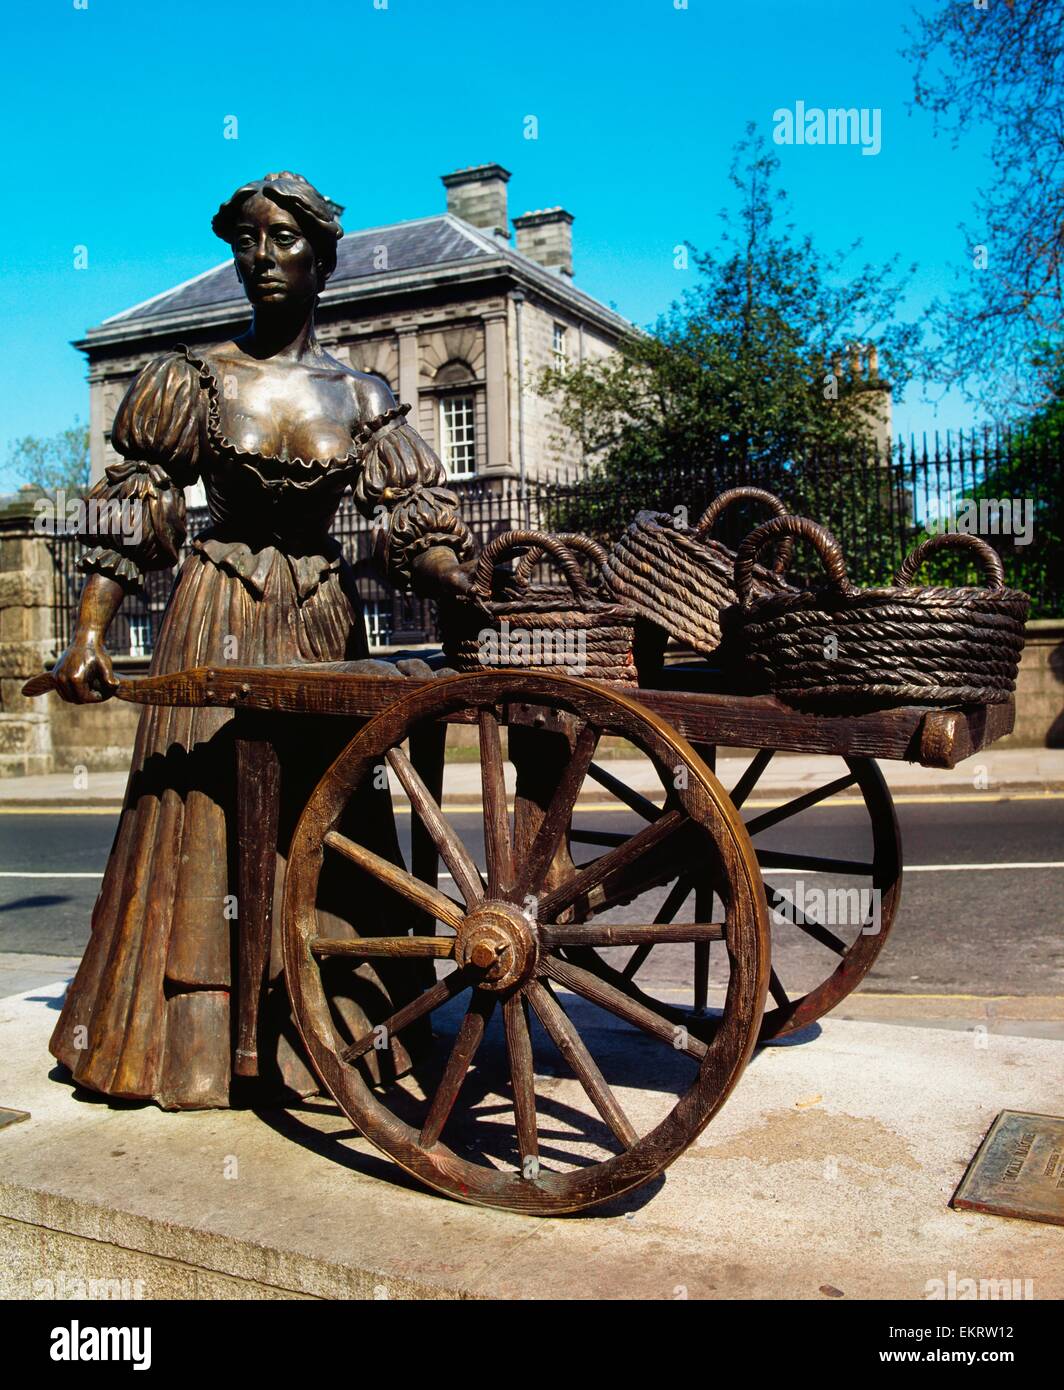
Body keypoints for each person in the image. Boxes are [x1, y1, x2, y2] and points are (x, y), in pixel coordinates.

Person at [48, 172, 476, 1108]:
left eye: (283, 240)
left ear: (322, 261)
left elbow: (417, 524)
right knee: (202, 821)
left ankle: (321, 1028)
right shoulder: (194, 379)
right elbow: (136, 516)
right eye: (247, 240)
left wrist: (454, 580)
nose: (261, 258)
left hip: (321, 621)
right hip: (217, 614)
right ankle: (193, 1042)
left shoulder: (363, 397)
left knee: (330, 817)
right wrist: (87, 634)